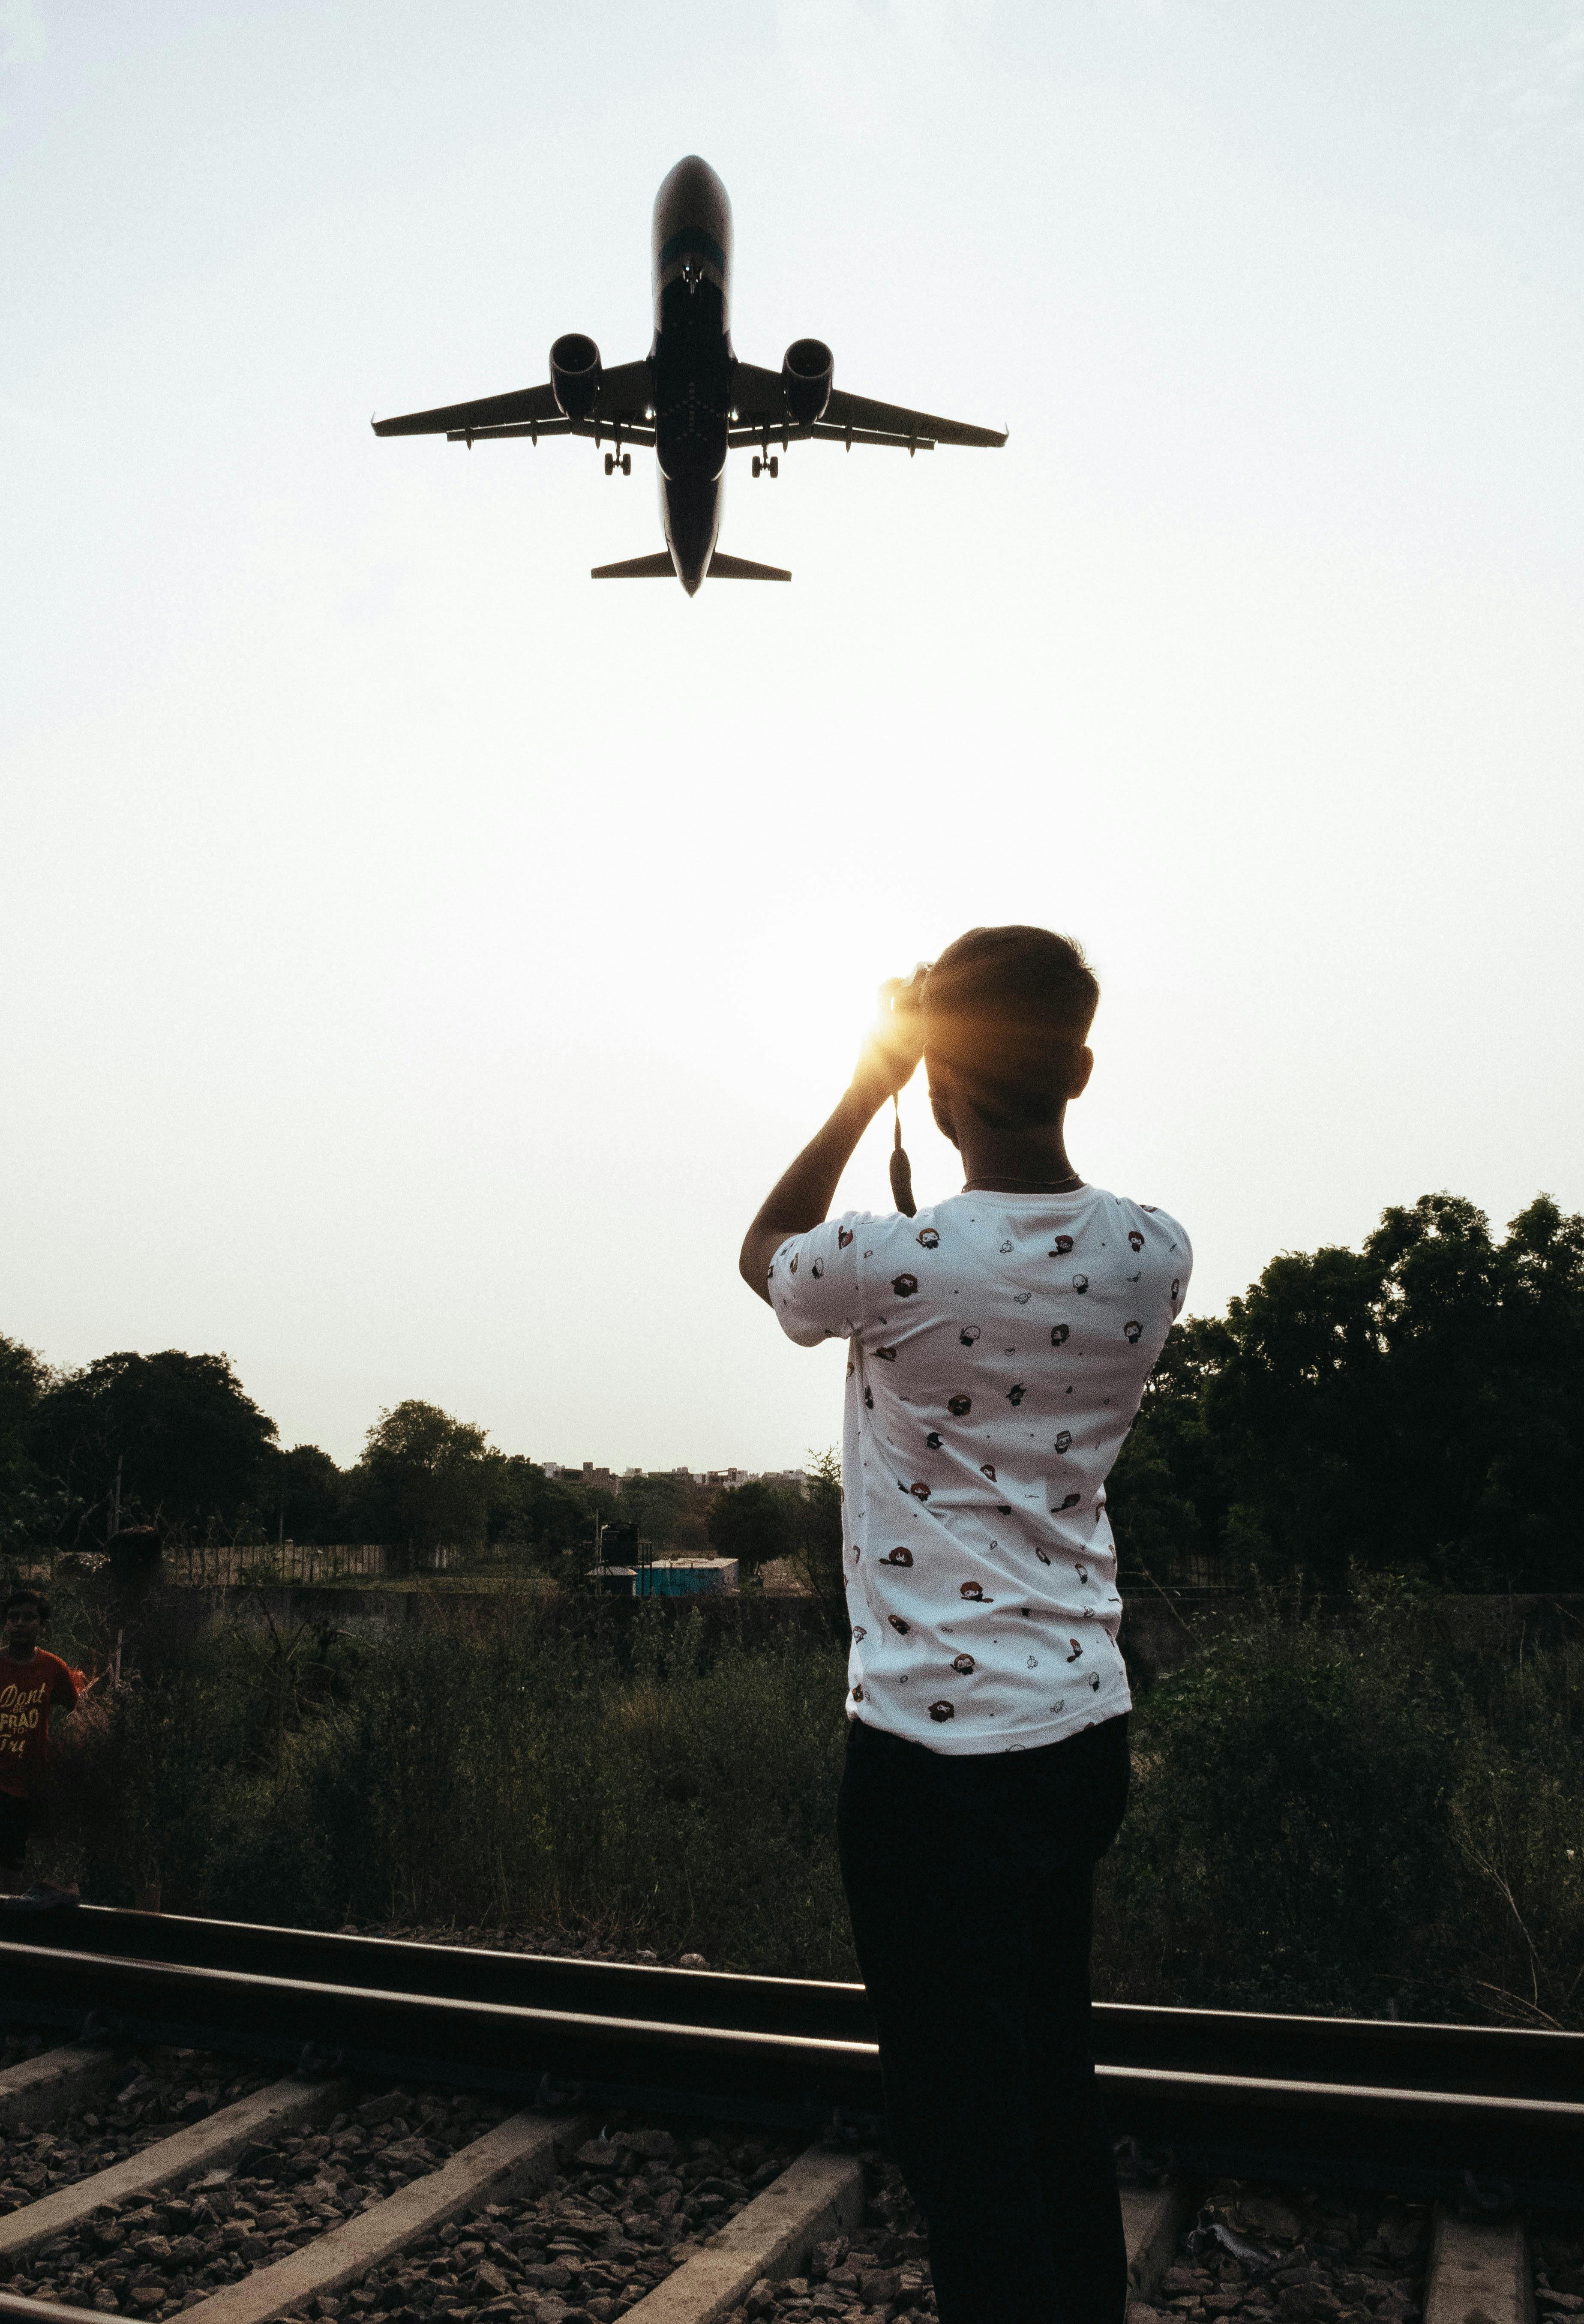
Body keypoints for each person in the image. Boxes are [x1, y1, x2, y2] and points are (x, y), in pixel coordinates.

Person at [738, 925, 1191, 2324]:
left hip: (928, 1764)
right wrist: (920, 1066)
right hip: (1076, 1732)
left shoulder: (887, 1264)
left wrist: (859, 1081)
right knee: (1047, 2077)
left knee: (958, 2127)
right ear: (1082, 1065)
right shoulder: (1150, 1253)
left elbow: (766, 1251)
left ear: (938, 1079)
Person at [0, 1586, 81, 1903]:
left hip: (30, 1784)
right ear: (6, 1625)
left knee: (13, 1870)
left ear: (42, 1627)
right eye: (13, 1618)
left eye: (29, 1618)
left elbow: (79, 1710)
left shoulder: (52, 1668)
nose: (20, 1623)